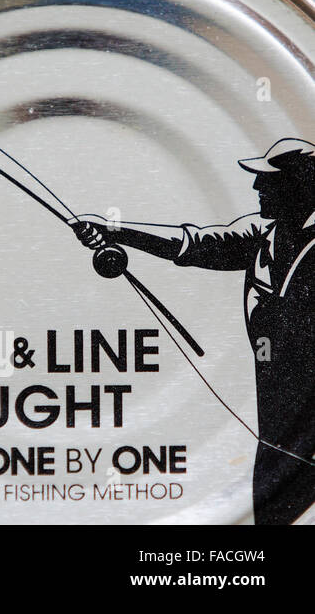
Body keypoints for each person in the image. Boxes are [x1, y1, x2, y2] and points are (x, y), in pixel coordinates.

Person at [72, 138, 315, 525]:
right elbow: (195, 242)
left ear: (302, 185)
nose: (256, 189)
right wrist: (113, 230)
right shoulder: (264, 235)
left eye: (269, 181)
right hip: (278, 428)